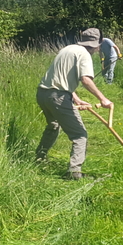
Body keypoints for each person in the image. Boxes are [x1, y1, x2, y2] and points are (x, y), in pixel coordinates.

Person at [35, 28, 113, 180]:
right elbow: (85, 80)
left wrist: (75, 98)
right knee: (79, 135)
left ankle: (39, 158)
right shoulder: (84, 54)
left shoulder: (67, 49)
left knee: (53, 125)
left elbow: (60, 76)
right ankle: (74, 172)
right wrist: (103, 99)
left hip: (43, 93)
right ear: (96, 45)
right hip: (57, 97)